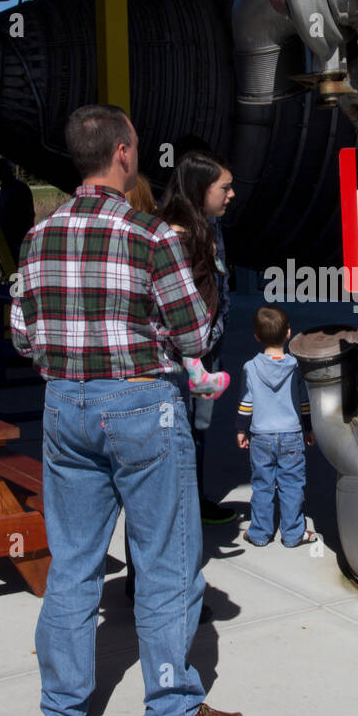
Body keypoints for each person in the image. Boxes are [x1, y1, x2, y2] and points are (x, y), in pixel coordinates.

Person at [10, 104, 246, 716]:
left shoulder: (37, 236)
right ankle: (171, 705)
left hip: (65, 404)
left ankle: (63, 705)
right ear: (121, 152)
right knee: (165, 559)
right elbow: (194, 333)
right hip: (142, 404)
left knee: (74, 561)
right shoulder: (152, 237)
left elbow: (21, 334)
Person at [159, 151, 236, 523]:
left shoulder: (205, 223)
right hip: (185, 353)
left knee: (198, 427)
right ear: (201, 189)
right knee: (180, 431)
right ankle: (180, 510)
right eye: (225, 187)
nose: (231, 194)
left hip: (208, 344)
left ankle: (193, 501)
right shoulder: (176, 235)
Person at [126, 170, 228, 401]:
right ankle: (198, 377)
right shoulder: (157, 242)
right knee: (183, 324)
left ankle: (198, 377)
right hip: (161, 353)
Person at [237, 305, 317, 548]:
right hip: (291, 435)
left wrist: (242, 429)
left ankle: (260, 533)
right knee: (292, 485)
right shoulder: (295, 367)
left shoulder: (250, 367)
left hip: (261, 436)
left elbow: (246, 403)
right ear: (288, 333)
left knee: (262, 485)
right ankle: (293, 534)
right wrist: (308, 427)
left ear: (257, 337)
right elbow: (303, 402)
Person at [0, 157, 35, 266]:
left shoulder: (20, 189)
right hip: (6, 242)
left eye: (2, 170)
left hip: (18, 242)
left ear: (9, 171)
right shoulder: (3, 191)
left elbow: (29, 216)